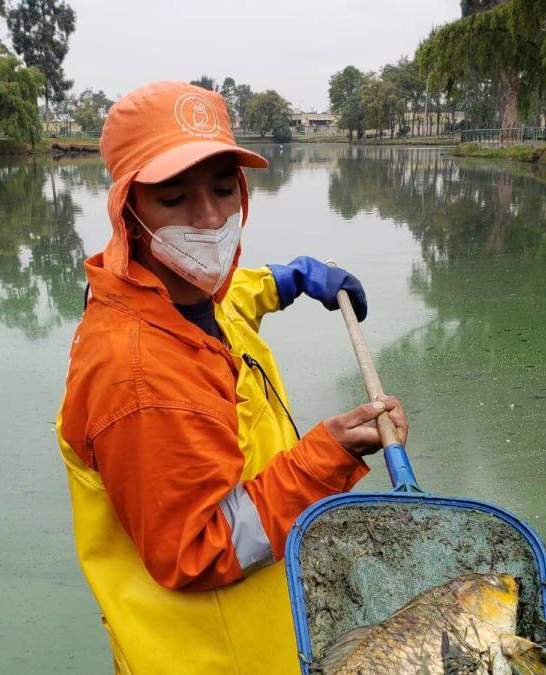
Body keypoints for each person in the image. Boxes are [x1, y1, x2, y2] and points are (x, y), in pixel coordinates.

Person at [56, 80, 409, 674]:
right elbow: (196, 550)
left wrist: (290, 279)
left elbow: (229, 302)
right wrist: (327, 458)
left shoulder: (178, 293)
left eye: (224, 189)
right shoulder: (140, 379)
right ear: (129, 211)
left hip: (265, 626)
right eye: (174, 199)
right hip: (213, 657)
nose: (212, 217)